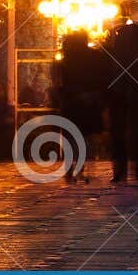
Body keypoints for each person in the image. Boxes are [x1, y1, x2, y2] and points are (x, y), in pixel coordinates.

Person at [100, 5, 138, 184]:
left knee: (122, 133)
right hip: (132, 94)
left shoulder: (115, 47)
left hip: (123, 94)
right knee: (135, 132)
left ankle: (122, 171)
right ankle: (136, 170)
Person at [53, 32, 105, 182]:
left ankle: (70, 168)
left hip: (71, 104)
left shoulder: (65, 60)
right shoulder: (95, 57)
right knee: (86, 137)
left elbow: (59, 83)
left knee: (70, 137)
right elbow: (102, 79)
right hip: (88, 104)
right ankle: (83, 168)